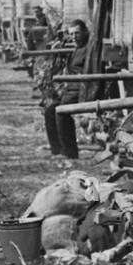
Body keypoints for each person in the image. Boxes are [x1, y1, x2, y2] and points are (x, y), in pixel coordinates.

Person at [43, 18, 91, 160]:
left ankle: (70, 152)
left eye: (77, 33)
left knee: (61, 112)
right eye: (71, 34)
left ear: (85, 32)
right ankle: (57, 149)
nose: (74, 37)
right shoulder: (76, 48)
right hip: (71, 88)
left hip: (83, 89)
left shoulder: (89, 49)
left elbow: (89, 73)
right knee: (50, 110)